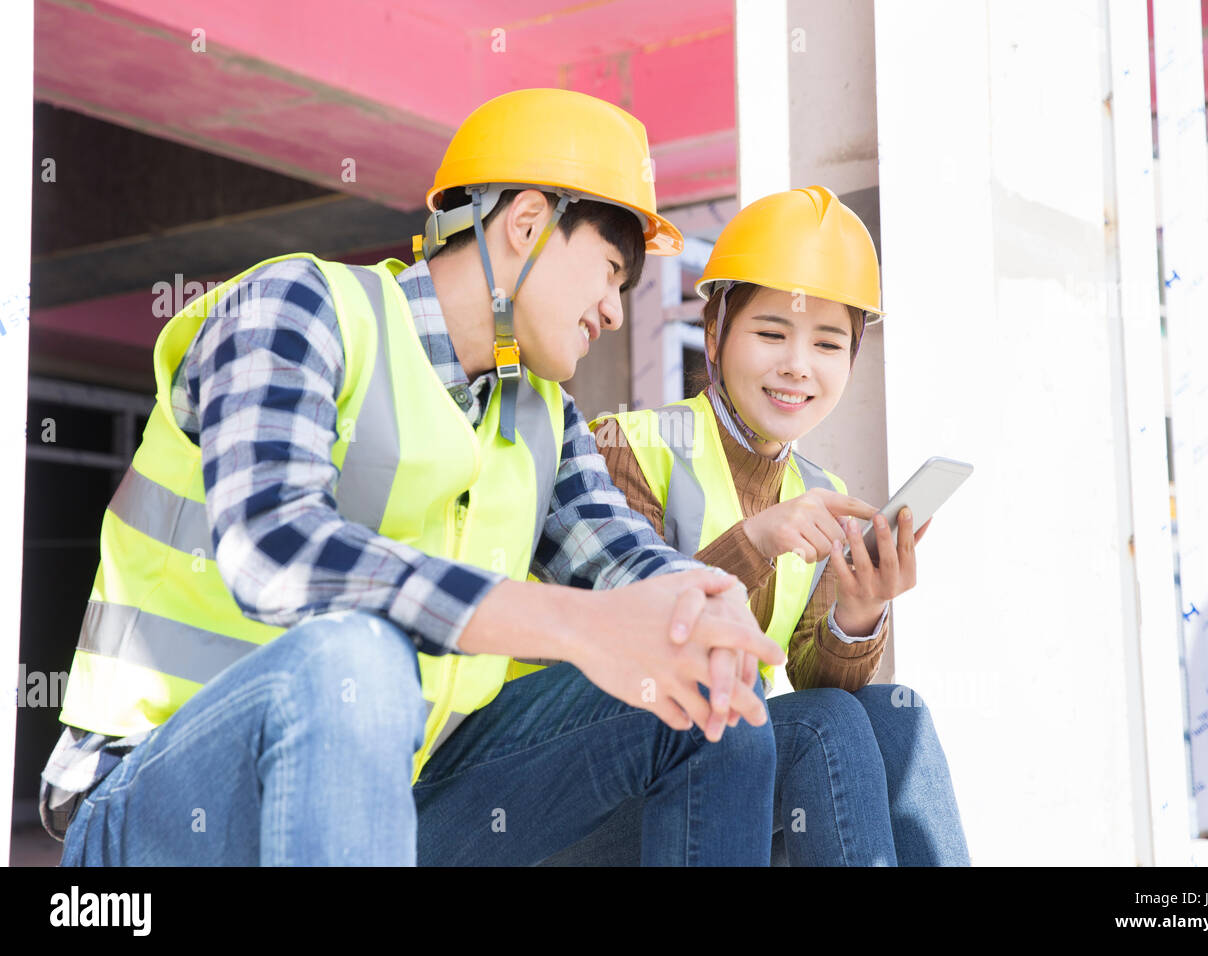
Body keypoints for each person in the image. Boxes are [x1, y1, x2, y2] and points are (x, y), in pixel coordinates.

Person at [41, 88, 788, 867]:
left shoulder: (541, 414)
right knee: (356, 659)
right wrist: (570, 625)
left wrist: (701, 609)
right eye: (609, 271)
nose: (612, 311)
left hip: (390, 801)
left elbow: (623, 559)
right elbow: (275, 549)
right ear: (528, 223)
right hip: (163, 801)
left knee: (712, 695)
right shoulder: (300, 307)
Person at [541, 186, 969, 866]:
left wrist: (856, 615)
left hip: (723, 776)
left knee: (895, 713)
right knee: (819, 727)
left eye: (829, 343)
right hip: (599, 793)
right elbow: (621, 637)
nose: (798, 365)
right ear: (714, 334)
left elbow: (822, 688)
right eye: (771, 333)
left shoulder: (819, 491)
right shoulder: (628, 443)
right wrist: (757, 541)